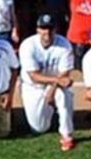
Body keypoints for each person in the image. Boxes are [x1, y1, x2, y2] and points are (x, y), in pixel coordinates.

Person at [18, 12, 78, 150]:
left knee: (65, 94)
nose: (47, 32)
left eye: (50, 28)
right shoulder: (28, 45)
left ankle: (66, 134)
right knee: (39, 128)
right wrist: (56, 81)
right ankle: (51, 113)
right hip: (33, 87)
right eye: (44, 28)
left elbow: (65, 75)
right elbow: (34, 76)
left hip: (55, 86)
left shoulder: (64, 44)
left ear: (55, 29)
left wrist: (52, 89)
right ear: (38, 29)